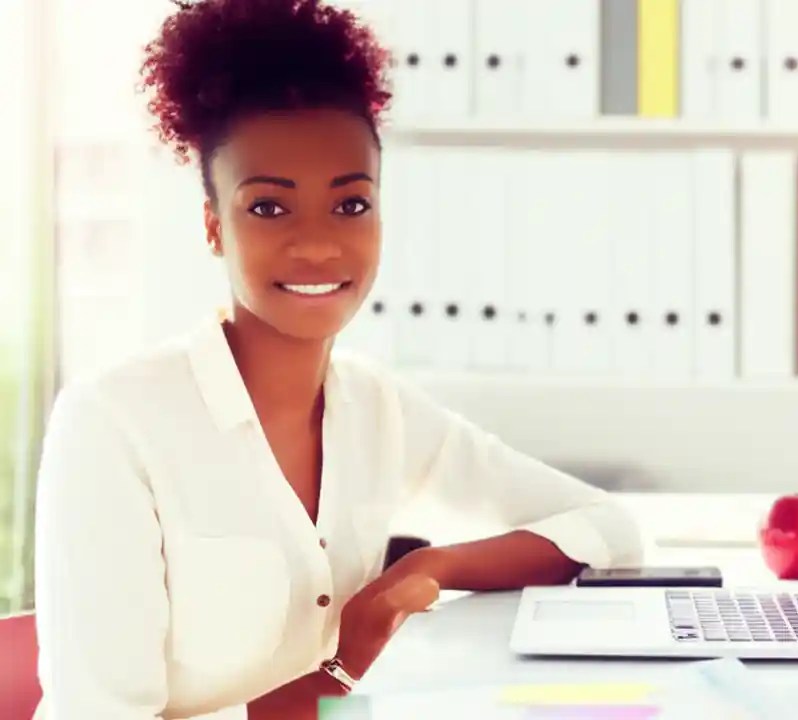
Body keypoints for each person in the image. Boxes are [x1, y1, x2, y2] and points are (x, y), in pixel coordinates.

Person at [32, 0, 645, 717]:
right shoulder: (114, 423)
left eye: (350, 206)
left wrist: (430, 567)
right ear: (212, 226)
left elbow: (607, 529)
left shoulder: (374, 408)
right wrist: (347, 666)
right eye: (268, 207)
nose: (318, 245)